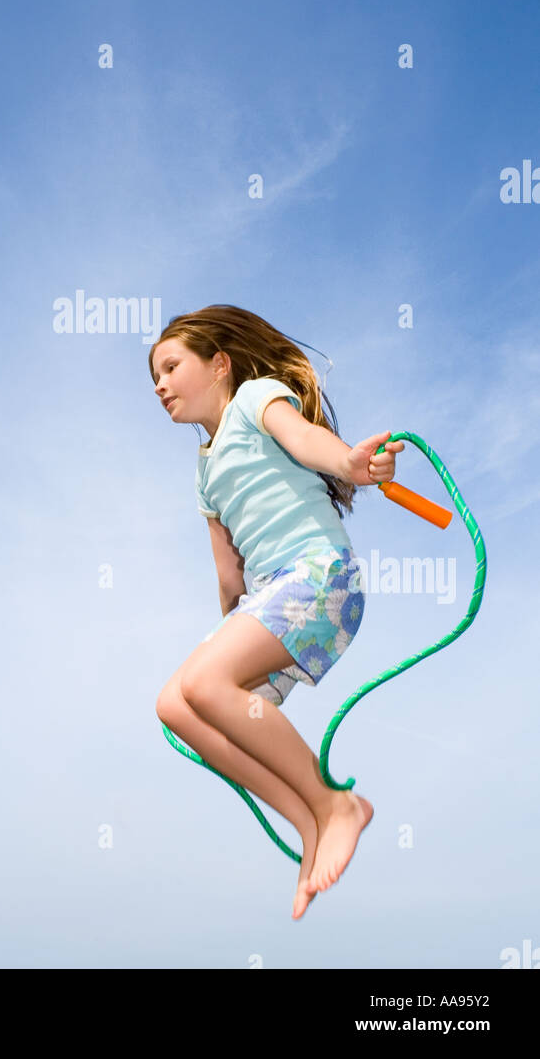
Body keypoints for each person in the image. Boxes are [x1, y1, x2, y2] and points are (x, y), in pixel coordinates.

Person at [150, 305, 404, 920]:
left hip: (321, 580)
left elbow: (306, 441)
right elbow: (228, 577)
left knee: (206, 682)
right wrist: (224, 639)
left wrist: (349, 463)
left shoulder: (256, 399)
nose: (159, 385)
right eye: (153, 378)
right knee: (176, 702)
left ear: (220, 364)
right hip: (271, 599)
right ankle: (310, 822)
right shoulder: (205, 470)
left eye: (170, 367)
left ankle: (337, 804)